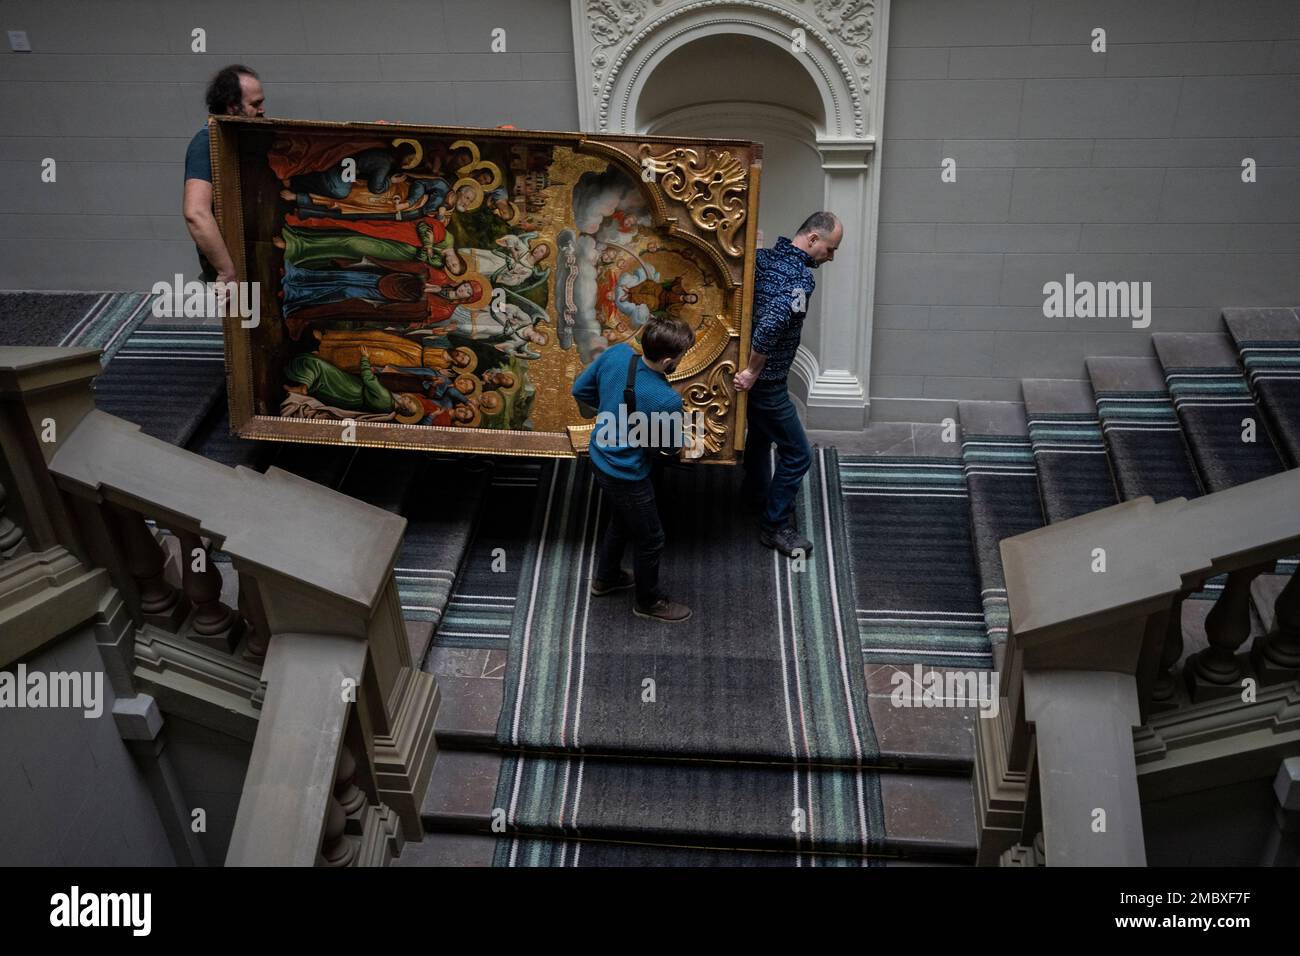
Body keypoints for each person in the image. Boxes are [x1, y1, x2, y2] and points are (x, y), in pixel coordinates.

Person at [571, 317, 698, 623]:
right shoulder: (666, 399)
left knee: (622, 519)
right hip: (627, 473)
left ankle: (606, 578)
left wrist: (609, 413)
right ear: (668, 360)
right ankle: (648, 600)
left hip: (599, 455)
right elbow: (668, 447)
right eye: (681, 357)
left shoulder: (616, 354)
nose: (681, 361)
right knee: (652, 537)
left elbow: (580, 390)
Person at [733, 211, 842, 557]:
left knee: (761, 437)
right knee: (798, 453)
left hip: (754, 377)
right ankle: (775, 525)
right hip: (767, 382)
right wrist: (753, 370)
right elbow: (771, 325)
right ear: (812, 239)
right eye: (829, 248)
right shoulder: (800, 279)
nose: (831, 256)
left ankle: (754, 496)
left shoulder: (763, 258)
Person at [183, 65, 265, 285]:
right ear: (231, 107)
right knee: (243, 316)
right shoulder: (206, 143)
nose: (262, 110)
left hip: (252, 251)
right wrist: (227, 272)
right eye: (255, 104)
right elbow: (196, 213)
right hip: (231, 259)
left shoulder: (239, 137)